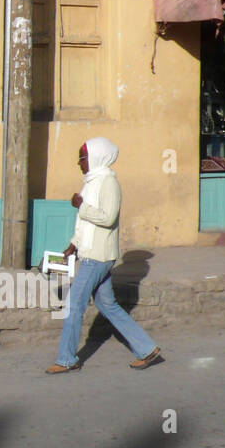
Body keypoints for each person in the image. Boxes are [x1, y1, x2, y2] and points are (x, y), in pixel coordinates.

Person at [47, 138, 162, 374]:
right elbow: (86, 225)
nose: (79, 163)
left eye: (82, 157)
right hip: (91, 253)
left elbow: (107, 218)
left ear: (97, 157)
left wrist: (82, 206)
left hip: (98, 256)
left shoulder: (108, 182)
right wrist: (72, 246)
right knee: (107, 304)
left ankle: (67, 359)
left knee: (74, 304)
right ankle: (147, 349)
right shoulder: (91, 182)